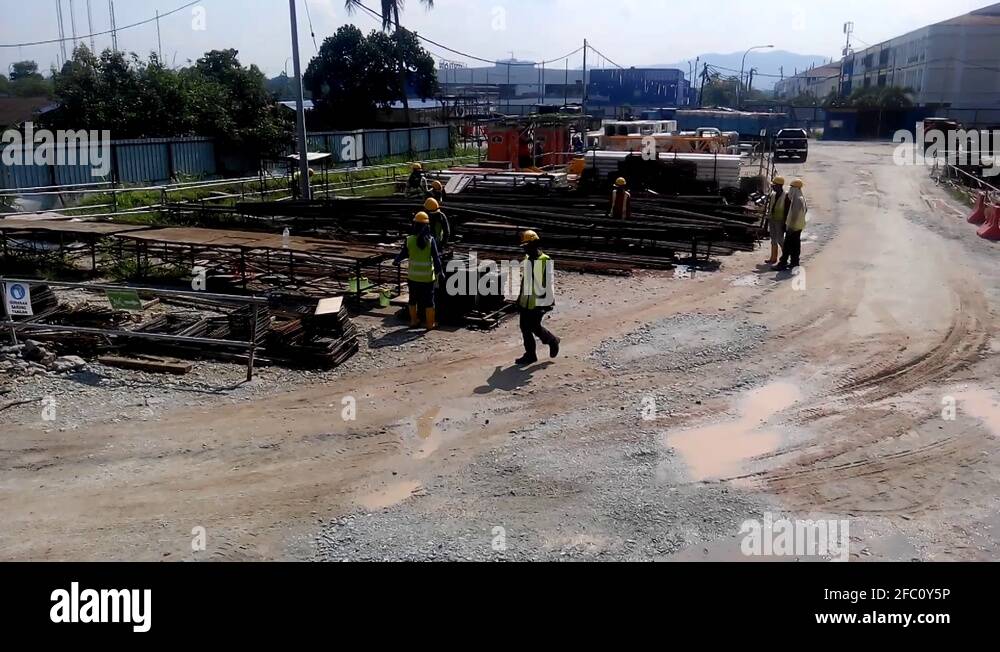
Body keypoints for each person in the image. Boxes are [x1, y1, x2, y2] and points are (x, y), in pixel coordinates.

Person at [516, 230, 561, 366]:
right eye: (523, 247)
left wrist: (548, 302)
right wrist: (519, 299)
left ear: (534, 244)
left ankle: (552, 340)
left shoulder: (545, 261)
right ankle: (530, 355)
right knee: (525, 328)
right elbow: (524, 281)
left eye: (527, 246)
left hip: (538, 303)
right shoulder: (526, 260)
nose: (525, 249)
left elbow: (549, 283)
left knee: (534, 327)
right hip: (525, 302)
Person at [394, 211, 444, 329]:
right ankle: (430, 324)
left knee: (412, 299)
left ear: (414, 225)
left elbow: (403, 254)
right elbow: (436, 258)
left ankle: (414, 321)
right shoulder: (430, 241)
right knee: (429, 301)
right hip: (427, 278)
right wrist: (440, 272)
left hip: (413, 277)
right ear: (427, 226)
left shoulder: (409, 240)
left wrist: (396, 260)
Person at [775, 179, 808, 271]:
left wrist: (790, 227)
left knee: (787, 246)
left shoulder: (797, 199)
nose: (790, 189)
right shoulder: (801, 197)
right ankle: (794, 262)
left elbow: (795, 214)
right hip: (798, 226)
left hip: (793, 227)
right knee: (795, 245)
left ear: (795, 188)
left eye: (791, 187)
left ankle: (782, 263)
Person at [764, 176, 791, 265]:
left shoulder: (786, 196)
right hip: (772, 219)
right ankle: (773, 258)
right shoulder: (773, 195)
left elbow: (787, 211)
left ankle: (785, 258)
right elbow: (770, 207)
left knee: (780, 240)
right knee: (773, 239)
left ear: (779, 186)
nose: (773, 187)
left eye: (774, 185)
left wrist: (785, 223)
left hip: (780, 221)